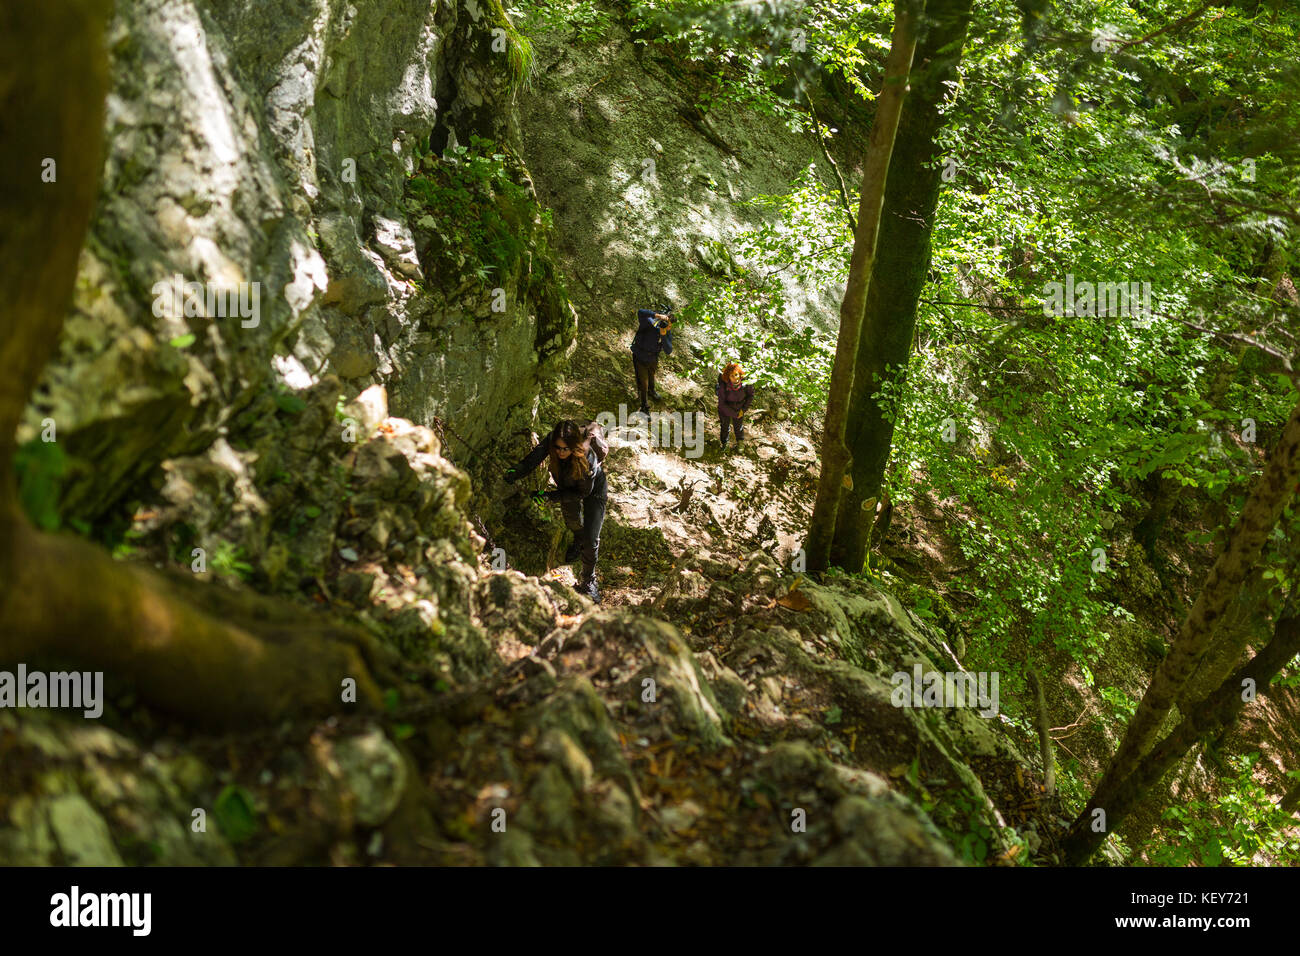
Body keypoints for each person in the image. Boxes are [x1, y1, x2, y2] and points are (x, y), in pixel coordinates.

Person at [504, 419, 609, 602]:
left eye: (565, 449)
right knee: (572, 520)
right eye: (557, 448)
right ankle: (578, 538)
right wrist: (516, 472)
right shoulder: (552, 441)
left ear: (574, 446)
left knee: (591, 538)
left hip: (593, 490)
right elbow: (533, 459)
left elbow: (582, 493)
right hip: (566, 486)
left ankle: (588, 580)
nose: (560, 452)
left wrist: (550, 497)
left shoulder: (587, 458)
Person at [630, 306, 674, 415]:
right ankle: (644, 406)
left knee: (651, 376)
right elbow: (641, 311)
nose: (669, 326)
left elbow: (668, 350)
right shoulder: (649, 323)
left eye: (669, 324)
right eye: (667, 322)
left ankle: (652, 390)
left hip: (652, 358)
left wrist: (663, 334)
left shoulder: (666, 332)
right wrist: (657, 316)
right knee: (643, 383)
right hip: (640, 357)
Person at [716, 361, 753, 451]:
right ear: (728, 377)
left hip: (739, 407)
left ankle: (740, 443)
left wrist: (743, 410)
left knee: (738, 426)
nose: (735, 378)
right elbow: (722, 403)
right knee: (725, 426)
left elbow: (750, 396)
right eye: (732, 376)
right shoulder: (724, 385)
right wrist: (735, 414)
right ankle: (725, 443)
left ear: (739, 374)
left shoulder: (746, 383)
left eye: (736, 375)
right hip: (725, 409)